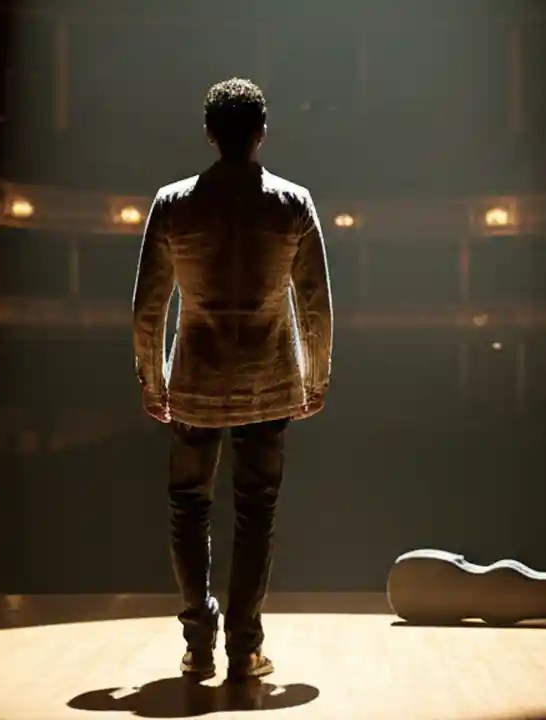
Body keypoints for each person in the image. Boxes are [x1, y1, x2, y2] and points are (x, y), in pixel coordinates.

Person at [131, 77, 333, 682]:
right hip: (269, 381)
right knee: (256, 513)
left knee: (188, 509)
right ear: (262, 132)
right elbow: (316, 302)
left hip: (193, 380)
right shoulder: (292, 203)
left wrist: (149, 377)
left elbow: (148, 305)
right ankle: (245, 646)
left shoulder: (172, 203)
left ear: (209, 134)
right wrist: (316, 376)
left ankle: (198, 643)